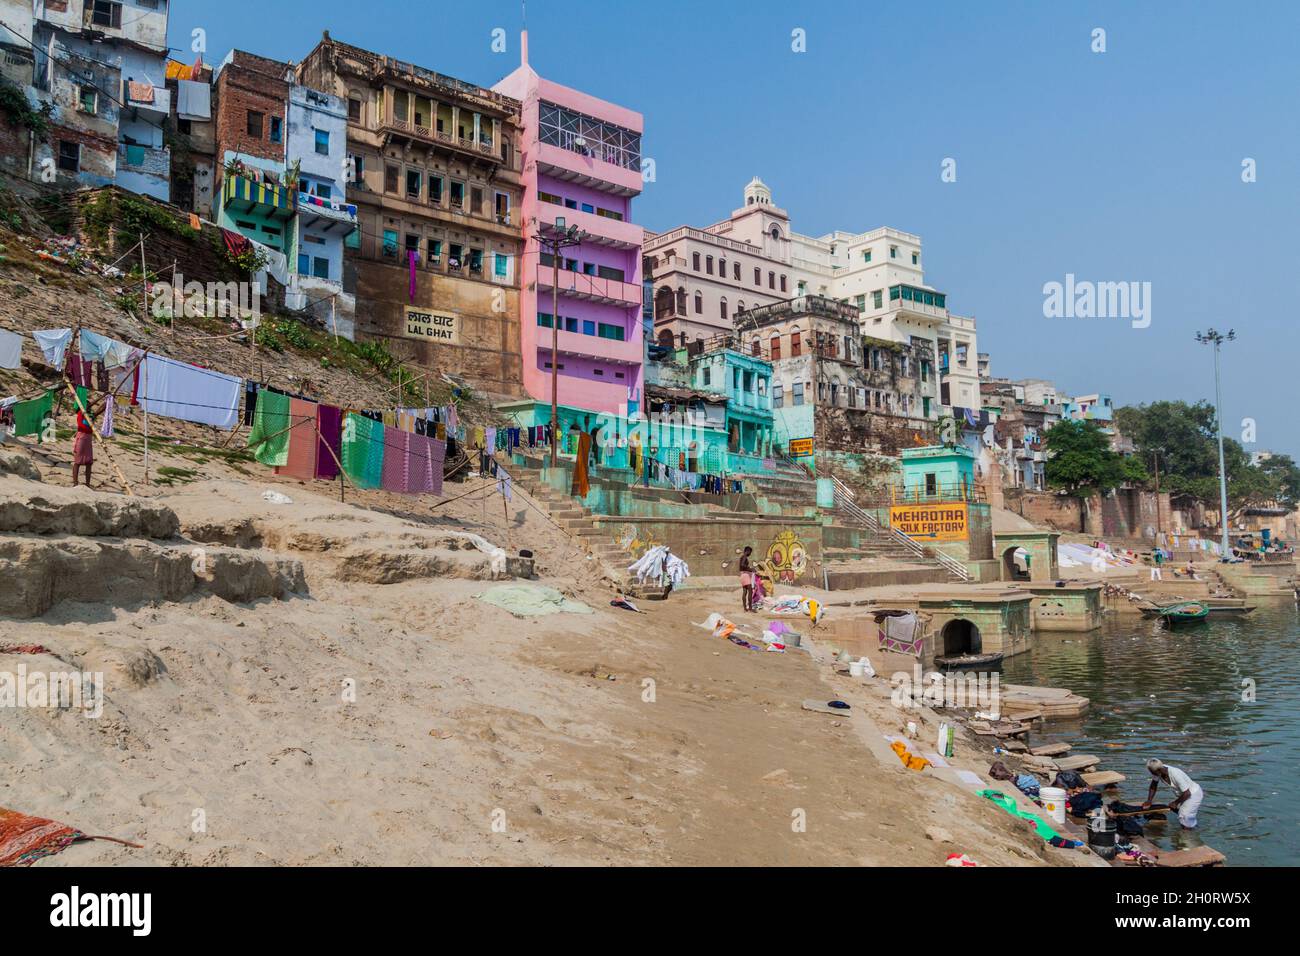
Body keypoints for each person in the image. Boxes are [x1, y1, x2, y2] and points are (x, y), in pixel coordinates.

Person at [1144, 758, 1203, 828]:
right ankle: (1191, 825)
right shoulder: (1157, 771)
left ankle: (1187, 834)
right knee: (1183, 815)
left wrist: (1175, 803)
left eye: (1152, 772)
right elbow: (1153, 785)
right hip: (1184, 794)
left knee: (1184, 815)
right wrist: (1149, 801)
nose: (1152, 774)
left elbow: (1187, 793)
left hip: (1193, 794)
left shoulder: (1175, 774)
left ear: (1159, 770)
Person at [71, 398, 95, 488]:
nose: (89, 407)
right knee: (78, 461)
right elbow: (80, 425)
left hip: (88, 439)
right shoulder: (81, 414)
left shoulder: (91, 415)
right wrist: (91, 428)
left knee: (89, 462)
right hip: (81, 437)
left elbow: (100, 409)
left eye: (90, 405)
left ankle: (87, 484)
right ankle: (75, 482)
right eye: (87, 405)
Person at [739, 546, 754, 613]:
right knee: (750, 591)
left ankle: (745, 608)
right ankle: (750, 608)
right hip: (745, 575)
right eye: (750, 552)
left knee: (745, 592)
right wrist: (750, 569)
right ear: (747, 551)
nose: (750, 554)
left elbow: (741, 566)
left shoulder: (742, 557)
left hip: (742, 575)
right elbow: (742, 565)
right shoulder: (744, 557)